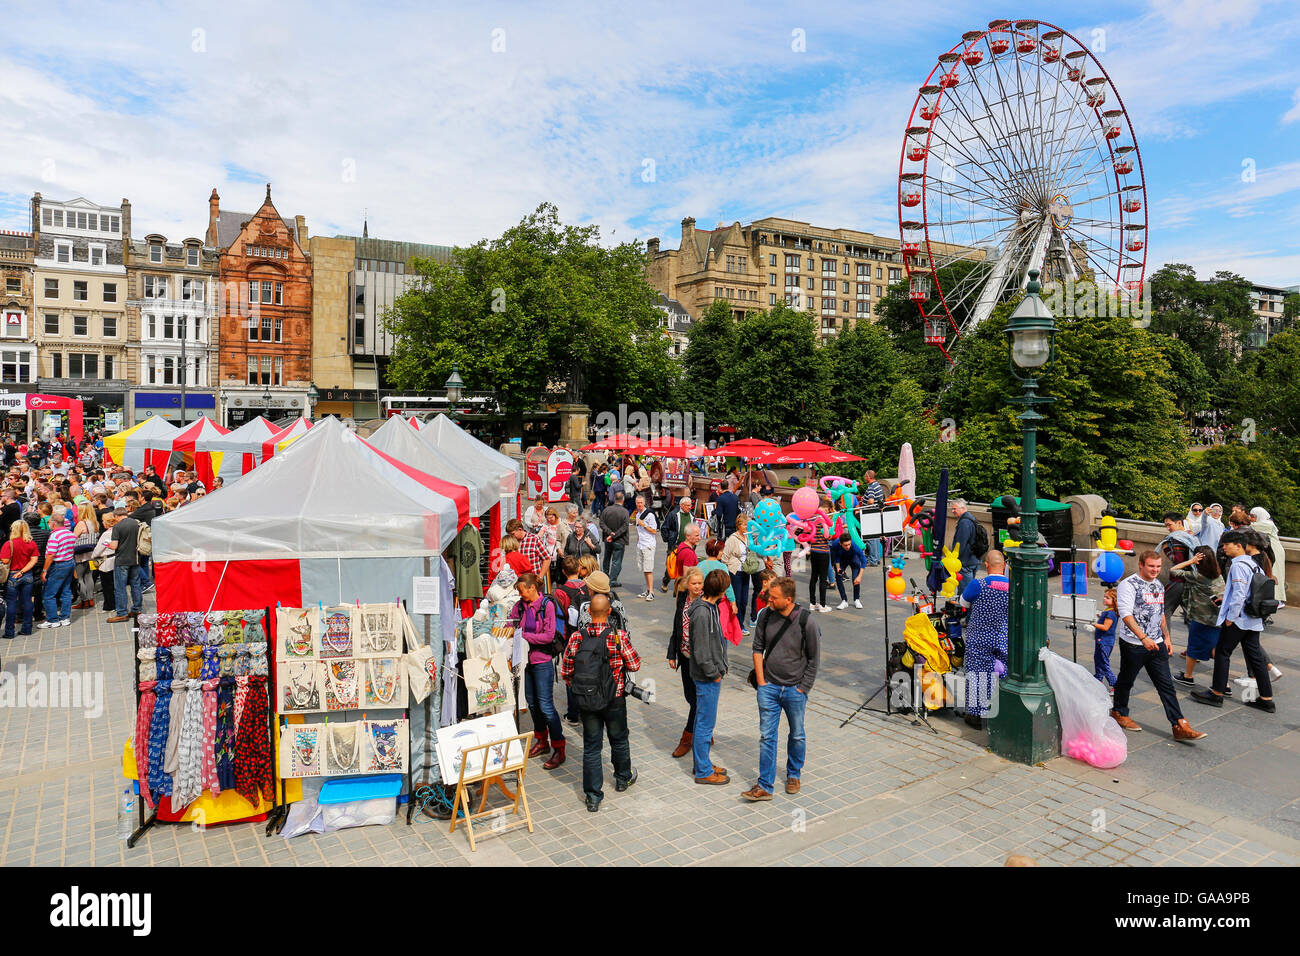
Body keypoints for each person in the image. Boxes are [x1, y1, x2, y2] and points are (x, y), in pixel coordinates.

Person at [1111, 550, 1206, 741]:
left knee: (1166, 685)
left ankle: (1179, 725)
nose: (1155, 570)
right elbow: (1126, 614)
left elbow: (1160, 612)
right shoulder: (1128, 585)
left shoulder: (1158, 585)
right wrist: (1143, 637)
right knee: (1126, 680)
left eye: (1158, 567)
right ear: (1141, 565)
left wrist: (1167, 637)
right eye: (1151, 566)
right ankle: (1119, 712)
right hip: (1134, 643)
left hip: (1157, 643)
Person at [560, 592, 641, 812]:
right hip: (614, 698)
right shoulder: (618, 636)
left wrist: (582, 689)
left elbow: (566, 670)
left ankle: (593, 796)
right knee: (619, 738)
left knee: (592, 748)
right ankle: (623, 778)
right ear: (608, 612)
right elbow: (634, 665)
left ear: (588, 612)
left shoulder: (578, 637)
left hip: (587, 700)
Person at [743, 576, 820, 801]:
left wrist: (803, 689)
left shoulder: (807, 621)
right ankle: (765, 786)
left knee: (796, 735)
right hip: (769, 687)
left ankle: (793, 774)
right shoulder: (765, 616)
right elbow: (757, 649)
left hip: (795, 689)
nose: (768, 600)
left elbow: (814, 659)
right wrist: (761, 681)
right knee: (767, 736)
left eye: (773, 598)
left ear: (788, 599)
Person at [1190, 531, 1276, 713]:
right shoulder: (1254, 564)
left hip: (1239, 618)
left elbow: (1239, 594)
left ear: (1238, 545)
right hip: (1253, 617)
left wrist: (1230, 617)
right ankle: (1266, 699)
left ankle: (1217, 693)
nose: (1223, 548)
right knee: (1255, 657)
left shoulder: (1238, 566)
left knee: (1222, 652)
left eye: (1226, 545)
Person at [507, 572, 567, 770]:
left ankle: (559, 747)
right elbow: (511, 624)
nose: (520, 594)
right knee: (532, 704)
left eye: (522, 591)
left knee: (546, 706)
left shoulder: (547, 606)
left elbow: (548, 636)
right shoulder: (520, 606)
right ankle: (542, 741)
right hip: (525, 662)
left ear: (533, 588)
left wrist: (523, 636)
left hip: (542, 661)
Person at [689, 568, 731, 785]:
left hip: (710, 673)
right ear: (721, 590)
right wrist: (714, 674)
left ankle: (702, 761)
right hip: (707, 677)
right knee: (705, 723)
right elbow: (702, 652)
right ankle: (703, 770)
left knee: (703, 721)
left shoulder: (709, 607)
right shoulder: (703, 613)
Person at [960, 550, 1010, 728]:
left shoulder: (977, 584)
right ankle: (1004, 710)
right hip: (1003, 636)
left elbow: (963, 603)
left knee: (976, 674)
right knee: (1005, 673)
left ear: (986, 565)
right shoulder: (1013, 586)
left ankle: (975, 715)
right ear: (1004, 566)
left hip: (979, 636)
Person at [1169, 547, 1222, 687]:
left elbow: (1173, 570)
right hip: (1217, 619)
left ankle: (1188, 676)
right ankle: (1224, 683)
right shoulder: (1219, 576)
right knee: (1216, 650)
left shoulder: (1197, 577)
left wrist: (1190, 561)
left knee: (1193, 647)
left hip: (1201, 618)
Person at [667, 567, 705, 758]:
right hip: (684, 655)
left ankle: (687, 737)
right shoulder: (682, 600)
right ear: (688, 584)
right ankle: (703, 727)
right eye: (694, 583)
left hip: (701, 660)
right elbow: (676, 627)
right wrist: (671, 653)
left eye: (700, 583)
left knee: (697, 701)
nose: (697, 587)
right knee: (690, 698)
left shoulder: (707, 602)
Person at [39, 505, 77, 628]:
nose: (49, 524)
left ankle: (52, 619)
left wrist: (44, 570)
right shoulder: (70, 534)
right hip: (69, 562)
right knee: (66, 591)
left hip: (58, 565)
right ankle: (65, 617)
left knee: (49, 594)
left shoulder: (54, 536)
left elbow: (50, 555)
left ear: (54, 523)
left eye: (50, 522)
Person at [1157, 512, 1198, 622]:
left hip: (1178, 579)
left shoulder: (1177, 538)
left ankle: (1166, 638)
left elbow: (1178, 560)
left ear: (1179, 522)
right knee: (1189, 615)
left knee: (1165, 611)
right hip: (1191, 579)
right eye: (1166, 525)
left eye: (1169, 525)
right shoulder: (1191, 535)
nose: (1168, 528)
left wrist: (1166, 549)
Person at [2, 521, 40, 638]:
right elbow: (34, 560)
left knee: (12, 603)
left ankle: (9, 632)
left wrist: (17, 571)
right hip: (27, 575)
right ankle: (27, 629)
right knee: (27, 602)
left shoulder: (9, 544)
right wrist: (22, 571)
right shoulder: (31, 543)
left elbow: (5, 561)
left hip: (12, 576)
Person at [105, 506, 143, 621]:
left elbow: (114, 545)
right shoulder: (136, 523)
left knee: (120, 587)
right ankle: (137, 609)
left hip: (122, 560)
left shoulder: (117, 527)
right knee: (136, 585)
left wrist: (108, 544)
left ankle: (122, 612)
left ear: (116, 516)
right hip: (135, 558)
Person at [1247, 508, 1287, 604]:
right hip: (1270, 550)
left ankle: (1277, 599)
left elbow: (1249, 527)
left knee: (1275, 573)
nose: (1251, 518)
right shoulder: (1266, 523)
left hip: (1275, 551)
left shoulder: (1267, 524)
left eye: (1253, 516)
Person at [721, 515, 752, 629]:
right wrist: (725, 573)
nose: (747, 527)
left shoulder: (749, 537)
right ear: (739, 525)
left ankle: (740, 622)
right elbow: (725, 557)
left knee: (744, 600)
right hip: (735, 571)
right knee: (737, 599)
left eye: (748, 525)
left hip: (746, 571)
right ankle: (737, 625)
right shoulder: (732, 539)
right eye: (745, 525)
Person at [659, 495, 695, 591]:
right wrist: (669, 539)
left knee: (684, 568)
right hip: (675, 545)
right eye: (687, 505)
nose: (689, 507)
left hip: (688, 547)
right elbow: (664, 528)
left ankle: (679, 586)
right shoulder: (673, 515)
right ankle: (665, 581)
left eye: (690, 505)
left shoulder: (692, 516)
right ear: (681, 505)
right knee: (671, 566)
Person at [598, 490, 630, 587]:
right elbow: (625, 526)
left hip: (608, 539)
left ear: (614, 499)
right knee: (617, 561)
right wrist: (614, 535)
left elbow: (601, 523)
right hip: (619, 540)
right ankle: (612, 580)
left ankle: (606, 576)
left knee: (607, 558)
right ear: (623, 499)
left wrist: (609, 533)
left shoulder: (606, 510)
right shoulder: (625, 512)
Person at [71, 503, 99, 609]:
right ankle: (90, 599)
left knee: (80, 578)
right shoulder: (94, 522)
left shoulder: (81, 524)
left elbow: (74, 538)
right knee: (89, 576)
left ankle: (84, 600)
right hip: (91, 554)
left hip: (81, 554)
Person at [631, 493, 658, 601]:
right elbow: (639, 530)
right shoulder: (637, 514)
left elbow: (654, 531)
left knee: (648, 569)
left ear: (644, 503)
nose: (639, 505)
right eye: (637, 503)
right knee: (644, 569)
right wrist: (638, 540)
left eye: (641, 503)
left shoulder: (650, 515)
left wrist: (644, 525)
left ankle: (651, 592)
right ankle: (647, 589)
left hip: (649, 545)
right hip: (641, 544)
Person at [831, 532, 867, 609]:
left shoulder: (854, 546)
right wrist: (838, 569)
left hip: (854, 559)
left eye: (849, 544)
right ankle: (844, 600)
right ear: (840, 543)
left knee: (855, 578)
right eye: (845, 545)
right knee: (838, 577)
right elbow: (836, 557)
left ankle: (856, 599)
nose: (848, 546)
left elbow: (864, 561)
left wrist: (859, 577)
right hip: (842, 560)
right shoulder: (835, 544)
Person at [92, 513, 118, 613]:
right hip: (114, 559)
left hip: (105, 561)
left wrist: (93, 556)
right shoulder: (116, 530)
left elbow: (99, 548)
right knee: (113, 584)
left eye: (103, 520)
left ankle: (109, 606)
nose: (102, 522)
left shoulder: (106, 534)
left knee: (107, 585)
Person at [1093, 588, 1118, 690]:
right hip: (1101, 640)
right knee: (1098, 660)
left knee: (1103, 662)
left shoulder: (1111, 613)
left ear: (1114, 601)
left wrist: (1094, 624)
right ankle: (1098, 680)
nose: (1104, 599)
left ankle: (1115, 684)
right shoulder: (1108, 610)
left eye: (1107, 598)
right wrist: (1100, 616)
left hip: (1105, 641)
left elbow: (1106, 627)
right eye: (1104, 596)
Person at [806, 516, 832, 612]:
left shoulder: (811, 521)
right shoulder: (825, 522)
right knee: (823, 578)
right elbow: (828, 536)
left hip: (814, 551)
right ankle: (822, 605)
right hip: (823, 552)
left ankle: (812, 603)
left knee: (814, 577)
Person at [951, 499, 980, 582]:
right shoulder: (972, 518)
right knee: (969, 587)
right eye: (952, 509)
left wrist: (954, 559)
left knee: (964, 591)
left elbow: (960, 544)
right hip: (974, 558)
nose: (953, 511)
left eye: (954, 509)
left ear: (962, 508)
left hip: (966, 561)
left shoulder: (964, 522)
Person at [861, 470, 886, 566]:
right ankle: (876, 558)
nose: (864, 478)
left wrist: (865, 503)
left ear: (868, 477)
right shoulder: (877, 485)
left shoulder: (871, 486)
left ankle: (873, 560)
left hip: (871, 514)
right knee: (875, 537)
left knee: (871, 537)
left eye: (865, 476)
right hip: (876, 513)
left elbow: (871, 501)